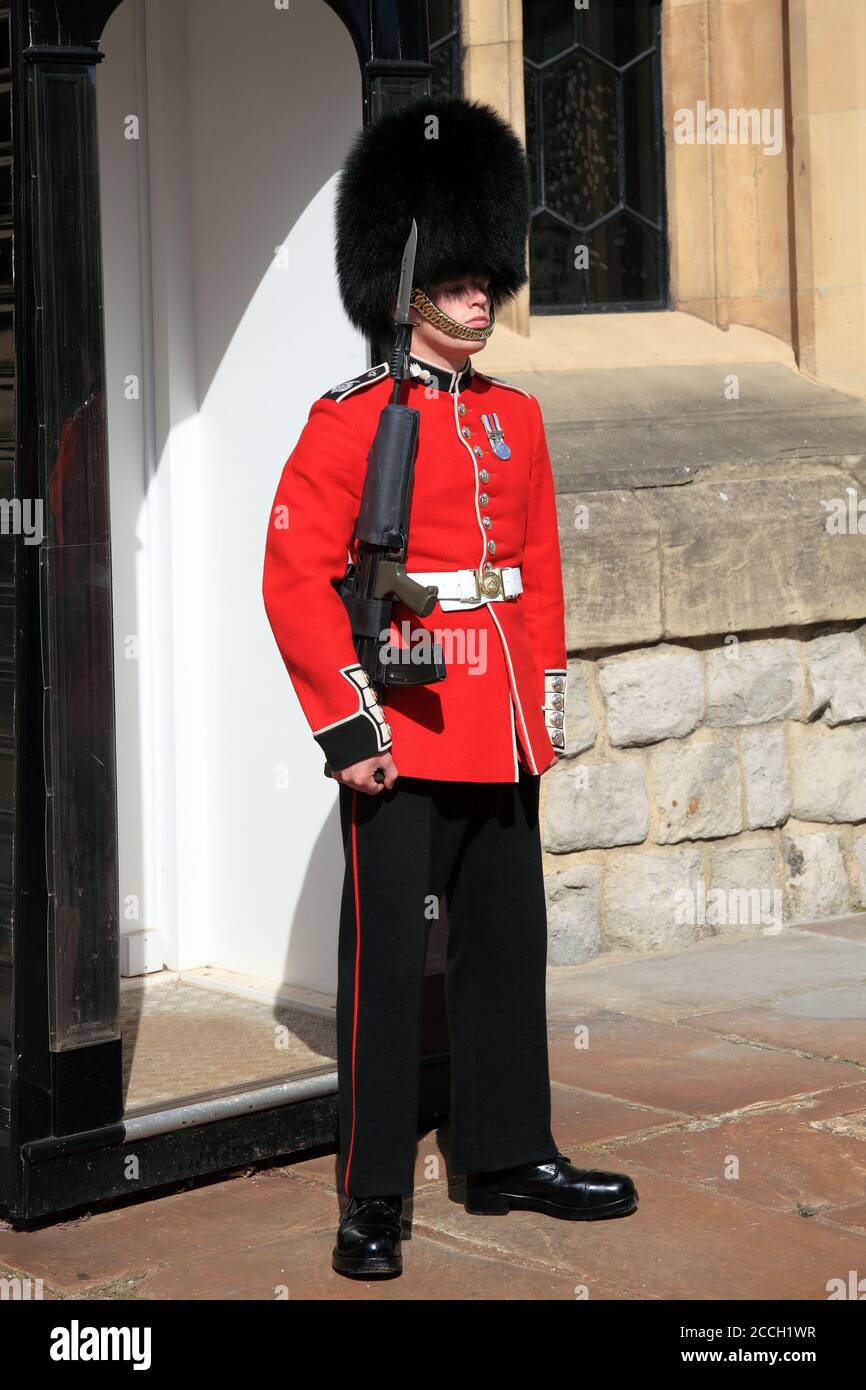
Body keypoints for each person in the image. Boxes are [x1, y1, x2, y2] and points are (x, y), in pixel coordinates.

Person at [262, 95, 637, 1279]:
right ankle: (372, 1193)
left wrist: (544, 709)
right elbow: (292, 581)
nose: (484, 299)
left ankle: (505, 1149)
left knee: (504, 946)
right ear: (409, 281)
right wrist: (346, 727)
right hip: (403, 724)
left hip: (498, 719)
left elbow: (533, 577)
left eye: (490, 280)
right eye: (462, 279)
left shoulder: (515, 422)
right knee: (382, 976)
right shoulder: (347, 424)